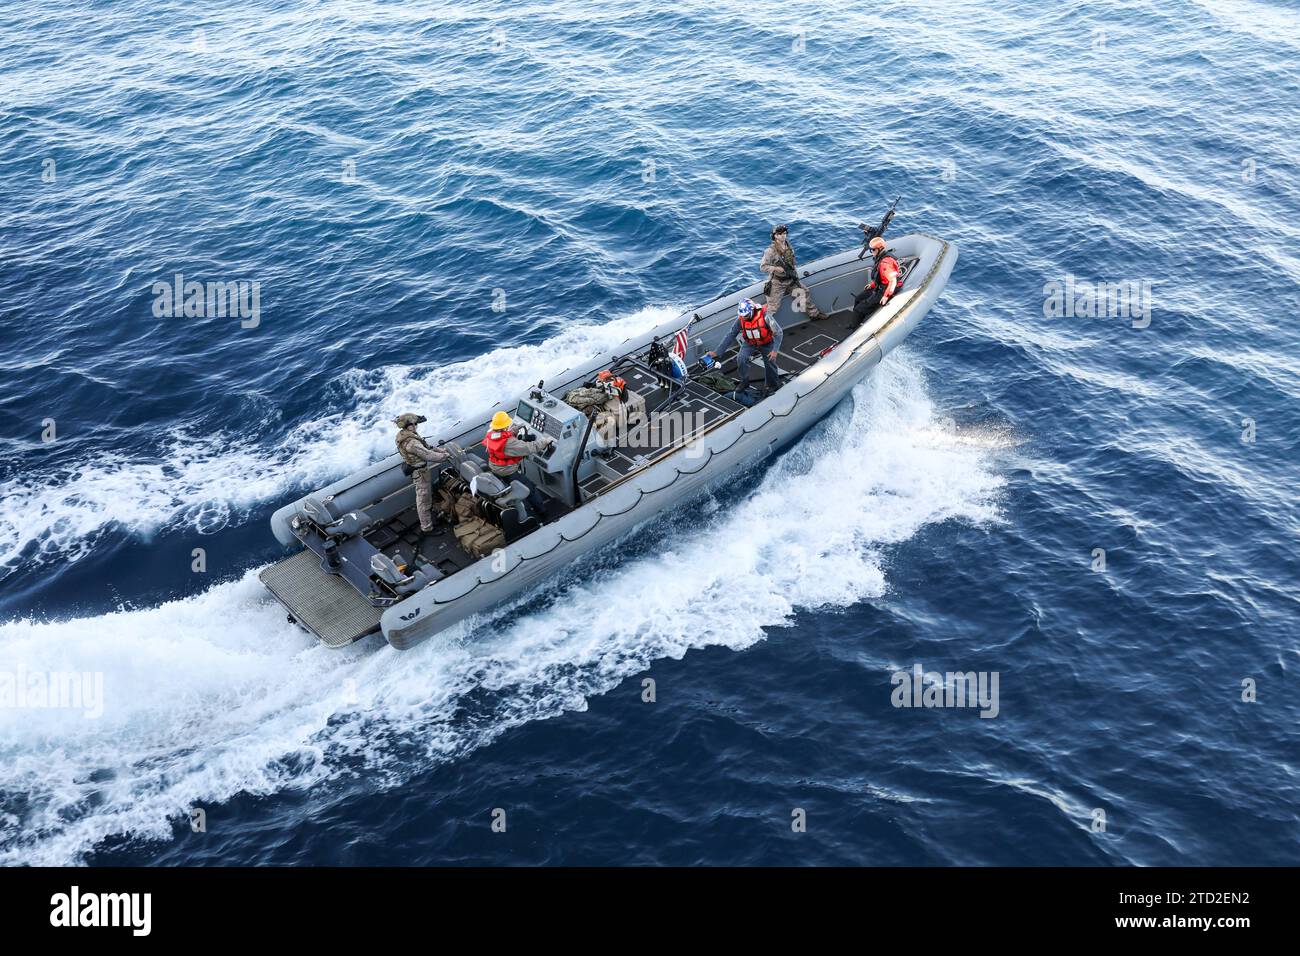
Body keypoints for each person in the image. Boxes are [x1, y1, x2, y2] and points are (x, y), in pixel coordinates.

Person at [394, 413, 456, 534]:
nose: (417, 426)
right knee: (423, 499)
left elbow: (426, 446)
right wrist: (445, 455)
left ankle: (428, 519)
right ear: (410, 426)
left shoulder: (405, 435)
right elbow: (428, 455)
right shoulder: (411, 443)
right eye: (415, 424)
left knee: (425, 497)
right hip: (420, 473)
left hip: (420, 471)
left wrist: (439, 450)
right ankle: (427, 528)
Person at [705, 298, 783, 396]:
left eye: (745, 315)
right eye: (742, 315)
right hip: (750, 342)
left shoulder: (765, 316)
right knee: (741, 358)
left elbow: (778, 333)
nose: (744, 317)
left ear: (752, 311)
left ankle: (772, 385)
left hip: (766, 342)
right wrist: (717, 352)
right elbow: (731, 334)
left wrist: (775, 351)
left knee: (770, 362)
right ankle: (744, 381)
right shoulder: (741, 319)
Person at [482, 411, 554, 513]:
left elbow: (503, 437)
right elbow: (530, 447)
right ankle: (542, 512)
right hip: (508, 471)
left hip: (495, 468)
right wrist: (545, 441)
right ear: (505, 426)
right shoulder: (510, 443)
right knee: (530, 489)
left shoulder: (491, 435)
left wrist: (515, 430)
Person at [761, 224, 829, 322]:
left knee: (804, 292)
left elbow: (792, 263)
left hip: (791, 278)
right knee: (773, 307)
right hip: (778, 282)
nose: (783, 236)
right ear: (775, 235)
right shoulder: (770, 251)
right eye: (780, 234)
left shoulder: (788, 245)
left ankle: (814, 314)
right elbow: (763, 267)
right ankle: (763, 326)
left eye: (784, 233)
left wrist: (795, 276)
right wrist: (775, 268)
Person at [853, 236, 902, 322]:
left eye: (873, 250)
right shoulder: (880, 259)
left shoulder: (885, 263)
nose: (871, 252)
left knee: (859, 309)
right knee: (858, 298)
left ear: (880, 249)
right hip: (879, 286)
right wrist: (872, 285)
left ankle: (855, 325)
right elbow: (879, 276)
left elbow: (893, 280)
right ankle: (857, 317)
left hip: (884, 290)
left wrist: (886, 296)